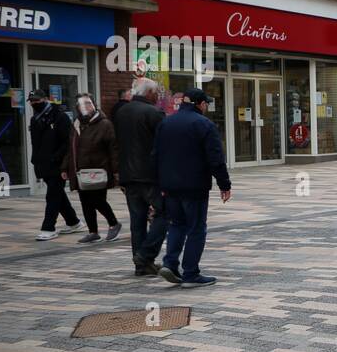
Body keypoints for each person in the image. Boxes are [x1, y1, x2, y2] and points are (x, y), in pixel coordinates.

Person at [155, 88, 232, 288]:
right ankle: (190, 273)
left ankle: (170, 264)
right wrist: (224, 184)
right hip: (194, 186)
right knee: (196, 228)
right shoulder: (204, 124)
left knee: (177, 225)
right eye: (206, 104)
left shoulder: (166, 122)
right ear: (201, 103)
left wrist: (161, 184)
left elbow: (155, 155)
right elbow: (215, 158)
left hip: (170, 187)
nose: (206, 107)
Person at [114, 77, 167, 275]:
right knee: (165, 214)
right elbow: (164, 144)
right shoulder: (154, 113)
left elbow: (117, 144)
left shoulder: (121, 111)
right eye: (156, 93)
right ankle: (145, 255)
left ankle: (141, 266)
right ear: (149, 93)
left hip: (129, 174)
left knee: (137, 221)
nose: (157, 96)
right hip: (150, 175)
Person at [62, 93, 121, 244]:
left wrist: (115, 171)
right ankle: (93, 232)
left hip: (98, 170)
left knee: (97, 200)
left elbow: (113, 149)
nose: (85, 107)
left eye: (88, 103)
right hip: (80, 170)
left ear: (94, 105)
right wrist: (65, 168)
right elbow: (70, 148)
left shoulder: (104, 124)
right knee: (85, 202)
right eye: (81, 104)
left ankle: (113, 223)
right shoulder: (76, 124)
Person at [28, 89, 82, 241]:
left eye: (37, 100)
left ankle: (48, 228)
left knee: (52, 195)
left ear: (46, 99)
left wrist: (57, 158)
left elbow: (67, 142)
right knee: (57, 194)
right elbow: (35, 143)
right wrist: (35, 159)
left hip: (58, 164)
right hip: (42, 164)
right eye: (31, 101)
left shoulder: (60, 117)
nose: (34, 103)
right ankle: (74, 222)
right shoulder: (35, 119)